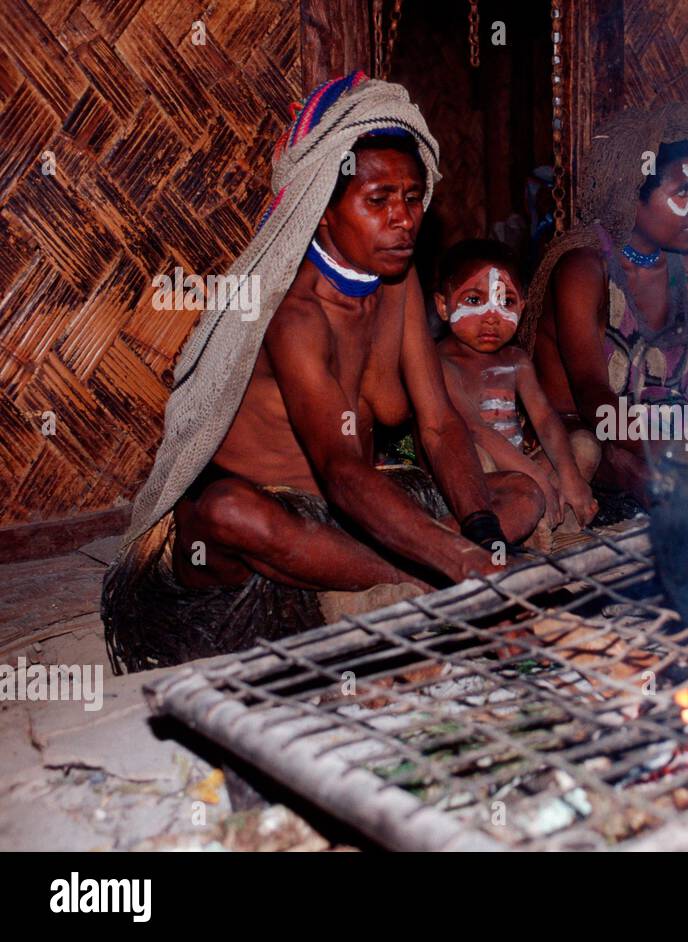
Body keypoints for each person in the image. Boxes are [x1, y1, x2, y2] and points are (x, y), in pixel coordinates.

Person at [101, 73, 544, 674]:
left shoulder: (400, 284)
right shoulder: (295, 311)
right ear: (325, 210)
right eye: (378, 200)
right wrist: (464, 564)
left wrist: (485, 531)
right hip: (280, 512)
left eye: (413, 198)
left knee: (522, 495)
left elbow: (438, 426)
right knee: (228, 513)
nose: (404, 220)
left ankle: (396, 570)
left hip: (352, 510)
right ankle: (412, 574)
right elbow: (337, 471)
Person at [520, 103, 688, 507]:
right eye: (683, 192)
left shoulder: (686, 270)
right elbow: (592, 397)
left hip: (665, 419)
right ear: (631, 198)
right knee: (659, 483)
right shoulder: (584, 271)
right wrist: (679, 447)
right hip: (593, 428)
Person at [433, 238, 599, 549]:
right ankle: (528, 524)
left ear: (522, 308)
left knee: (585, 445)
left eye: (506, 302)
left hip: (523, 467)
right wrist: (535, 478)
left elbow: (546, 421)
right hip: (483, 481)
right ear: (443, 306)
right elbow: (475, 430)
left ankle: (555, 522)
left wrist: (570, 476)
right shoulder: (441, 363)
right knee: (476, 456)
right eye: (473, 300)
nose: (492, 316)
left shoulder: (517, 362)